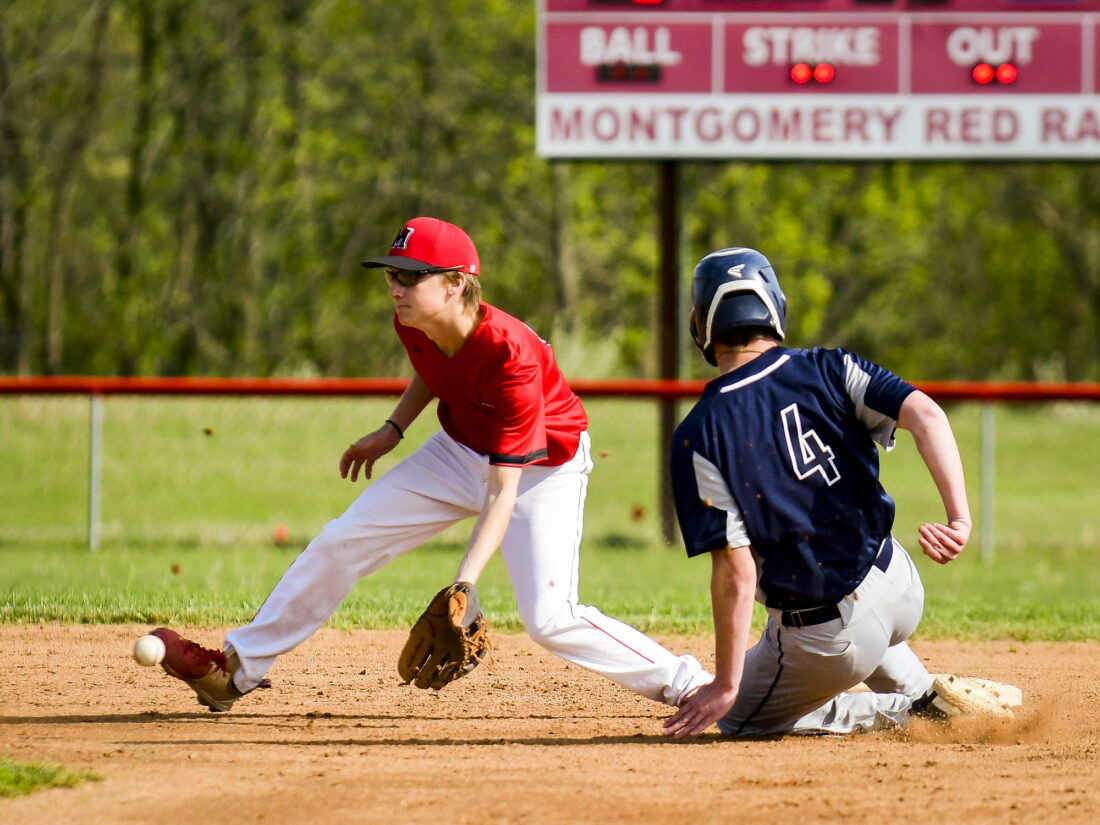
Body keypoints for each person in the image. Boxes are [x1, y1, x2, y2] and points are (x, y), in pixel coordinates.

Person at [149, 216, 710, 713]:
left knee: (550, 618)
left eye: (411, 275)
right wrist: (392, 430)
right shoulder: (413, 320)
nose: (395, 287)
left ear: (457, 282)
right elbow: (434, 367)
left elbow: (501, 493)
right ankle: (236, 670)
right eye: (392, 274)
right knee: (343, 540)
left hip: (540, 468)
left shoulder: (512, 358)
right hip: (458, 448)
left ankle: (690, 684)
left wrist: (463, 583)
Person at [662, 246, 1017, 739]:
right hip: (900, 585)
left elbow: (736, 574)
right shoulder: (829, 367)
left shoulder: (699, 432)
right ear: (773, 306)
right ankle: (927, 694)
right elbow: (927, 415)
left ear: (702, 325)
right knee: (854, 625)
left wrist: (725, 684)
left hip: (827, 639)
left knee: (740, 718)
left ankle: (906, 714)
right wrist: (960, 519)